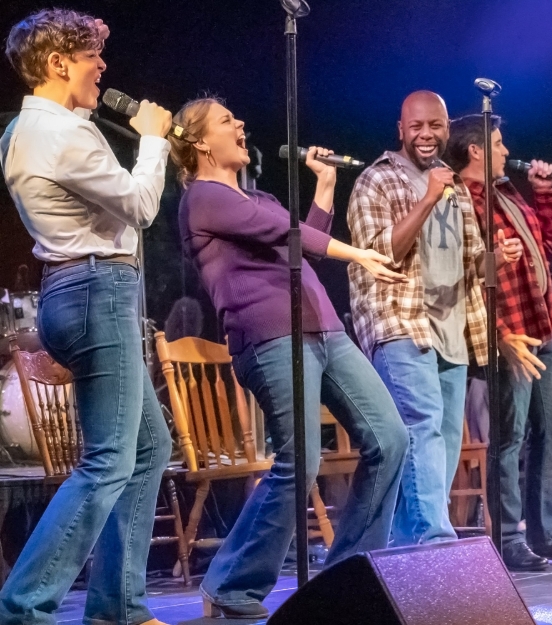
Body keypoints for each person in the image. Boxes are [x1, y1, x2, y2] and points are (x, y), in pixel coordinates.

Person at [172, 97, 410, 618]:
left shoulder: (258, 197)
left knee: (391, 439)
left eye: (238, 116)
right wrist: (357, 253)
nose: (240, 124)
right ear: (197, 143)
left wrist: (324, 185)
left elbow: (296, 243)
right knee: (299, 460)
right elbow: (292, 235)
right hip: (271, 337)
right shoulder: (203, 199)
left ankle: (350, 575)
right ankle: (231, 582)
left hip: (324, 328)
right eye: (225, 121)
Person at [0, 11, 173, 625]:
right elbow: (141, 205)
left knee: (149, 448)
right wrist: (152, 138)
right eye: (92, 56)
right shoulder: (57, 135)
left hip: (80, 290)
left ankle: (119, 606)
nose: (102, 67)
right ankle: (25, 607)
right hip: (96, 289)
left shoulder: (41, 129)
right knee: (107, 461)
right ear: (57, 64)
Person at [347, 91, 523, 546]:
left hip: (453, 328)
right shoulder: (377, 181)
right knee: (421, 425)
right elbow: (377, 253)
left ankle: (411, 549)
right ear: (401, 130)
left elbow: (466, 265)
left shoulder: (456, 187)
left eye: (435, 126)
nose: (426, 135)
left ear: (447, 130)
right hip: (401, 324)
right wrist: (426, 200)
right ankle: (435, 539)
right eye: (417, 127)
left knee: (444, 438)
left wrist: (496, 260)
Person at [445, 114, 552, 570]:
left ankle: (546, 532)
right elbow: (466, 271)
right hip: (508, 332)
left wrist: (546, 193)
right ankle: (508, 538)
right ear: (475, 150)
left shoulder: (507, 194)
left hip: (541, 324)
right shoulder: (461, 200)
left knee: (551, 430)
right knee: (509, 437)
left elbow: (550, 245)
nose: (506, 150)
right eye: (497, 142)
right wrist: (499, 330)